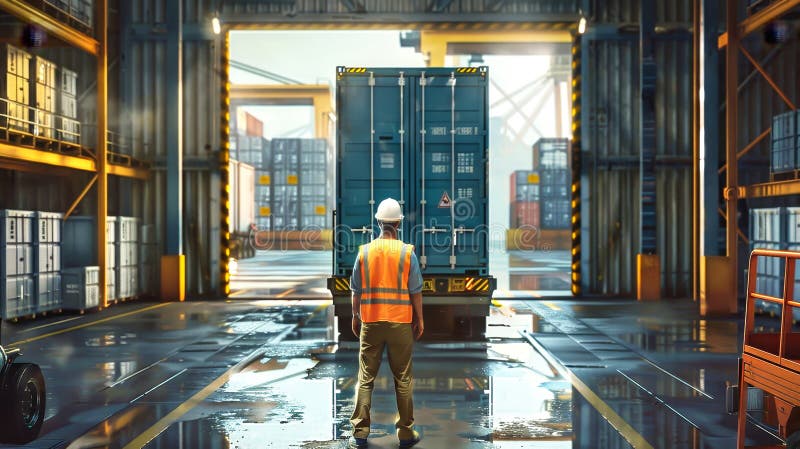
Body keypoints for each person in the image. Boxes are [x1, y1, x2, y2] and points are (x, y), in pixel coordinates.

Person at [349, 198, 424, 449]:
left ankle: (360, 432)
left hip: (370, 321)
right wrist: (419, 319)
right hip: (400, 323)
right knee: (403, 379)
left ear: (378, 222)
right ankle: (405, 433)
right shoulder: (406, 252)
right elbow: (415, 290)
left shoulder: (365, 252)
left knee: (366, 377)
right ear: (399, 223)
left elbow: (355, 290)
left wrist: (354, 315)